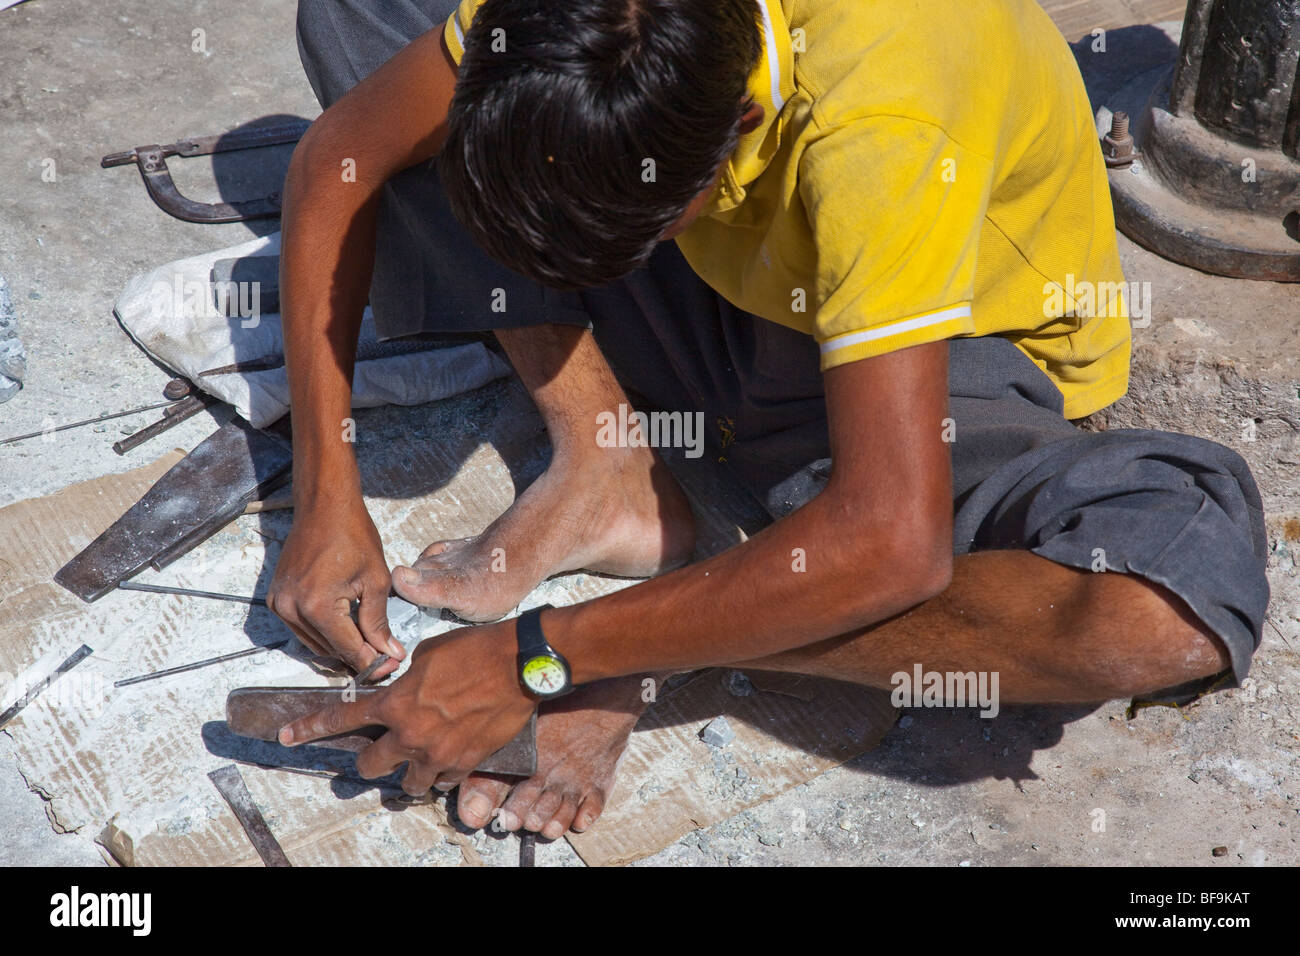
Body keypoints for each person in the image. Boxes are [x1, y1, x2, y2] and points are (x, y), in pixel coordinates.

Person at [269, 0, 1269, 843]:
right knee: (358, 13)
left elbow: (890, 542)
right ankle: (605, 458)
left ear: (740, 118)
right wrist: (327, 489)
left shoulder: (883, 119)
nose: (563, 277)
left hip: (930, 373)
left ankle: (684, 602)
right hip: (720, 274)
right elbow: (342, 156)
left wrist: (556, 651)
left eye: (613, 239)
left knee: (1163, 602)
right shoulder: (589, 16)